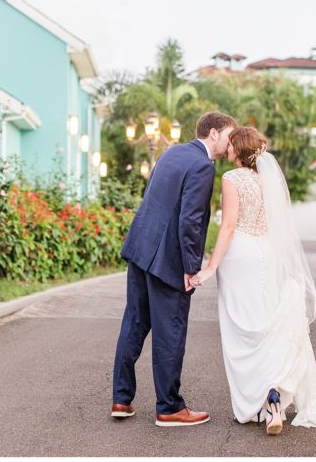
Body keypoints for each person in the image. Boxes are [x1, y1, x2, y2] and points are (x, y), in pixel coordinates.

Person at [191, 126, 316, 435]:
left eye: (232, 145)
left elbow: (230, 225)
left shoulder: (231, 179)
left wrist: (210, 267)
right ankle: (273, 394)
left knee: (241, 328)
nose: (228, 149)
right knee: (267, 322)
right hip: (268, 251)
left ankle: (253, 402)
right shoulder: (269, 180)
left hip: (241, 256)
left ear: (239, 150)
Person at [111, 111, 237, 427]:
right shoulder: (203, 165)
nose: (230, 142)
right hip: (168, 259)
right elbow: (191, 221)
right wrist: (190, 267)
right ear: (213, 133)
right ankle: (169, 407)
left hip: (140, 248)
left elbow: (154, 200)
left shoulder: (172, 153)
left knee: (134, 323)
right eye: (228, 135)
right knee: (171, 331)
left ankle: (121, 399)